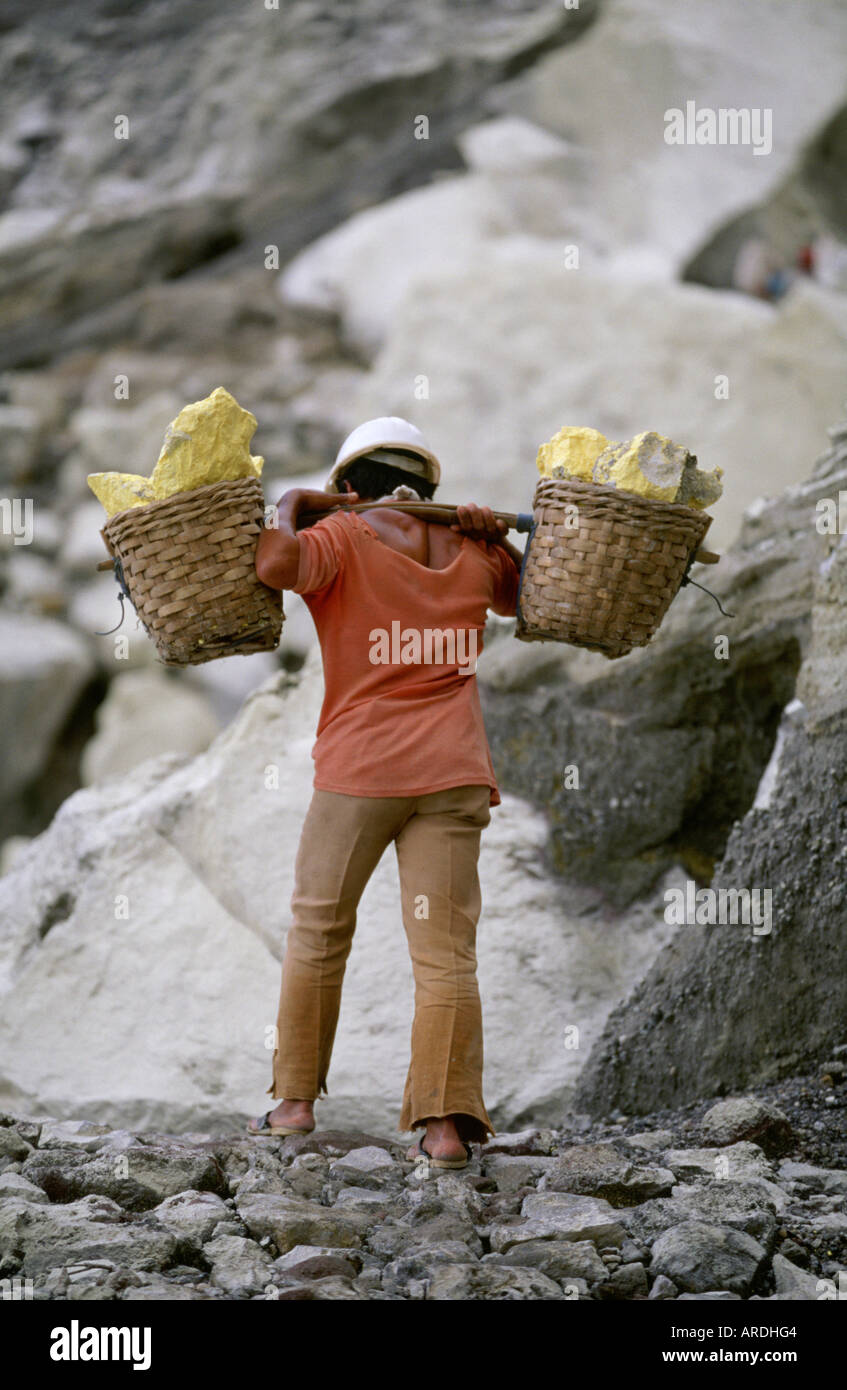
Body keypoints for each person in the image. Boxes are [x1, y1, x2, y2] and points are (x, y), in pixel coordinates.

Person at [248, 417, 523, 1168]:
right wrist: (493, 536)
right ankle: (443, 1131)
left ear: (346, 488)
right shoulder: (471, 547)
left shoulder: (340, 537)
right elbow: (525, 598)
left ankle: (294, 1105)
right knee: (445, 958)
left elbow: (275, 565)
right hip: (454, 774)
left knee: (318, 931)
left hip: (362, 773)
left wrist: (292, 507)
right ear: (429, 490)